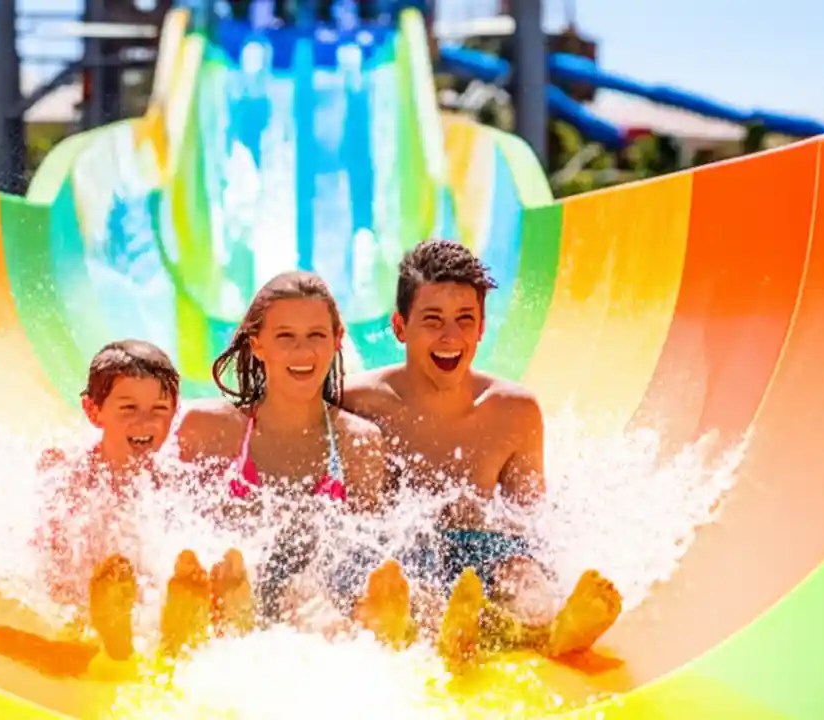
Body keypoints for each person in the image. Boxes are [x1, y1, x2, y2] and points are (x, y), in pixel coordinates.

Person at [342, 240, 621, 663]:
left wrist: (532, 572)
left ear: (482, 328)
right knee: (402, 576)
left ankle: (554, 625)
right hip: (403, 548)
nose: (450, 336)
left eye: (464, 319)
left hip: (483, 546)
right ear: (400, 326)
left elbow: (529, 519)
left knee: (518, 572)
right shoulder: (358, 402)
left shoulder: (513, 411)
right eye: (432, 320)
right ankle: (435, 626)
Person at [175, 270, 412, 645]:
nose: (303, 352)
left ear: (337, 339)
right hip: (228, 587)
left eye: (316, 335)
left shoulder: (357, 441)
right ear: (257, 344)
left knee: (312, 602)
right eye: (285, 336)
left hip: (314, 601)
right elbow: (168, 525)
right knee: (215, 576)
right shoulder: (210, 428)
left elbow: (362, 549)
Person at [33, 339, 181, 658]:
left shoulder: (171, 483)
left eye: (159, 409)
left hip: (138, 600)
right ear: (93, 410)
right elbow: (49, 560)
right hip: (83, 604)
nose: (145, 422)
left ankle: (173, 625)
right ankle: (114, 632)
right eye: (128, 408)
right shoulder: (71, 476)